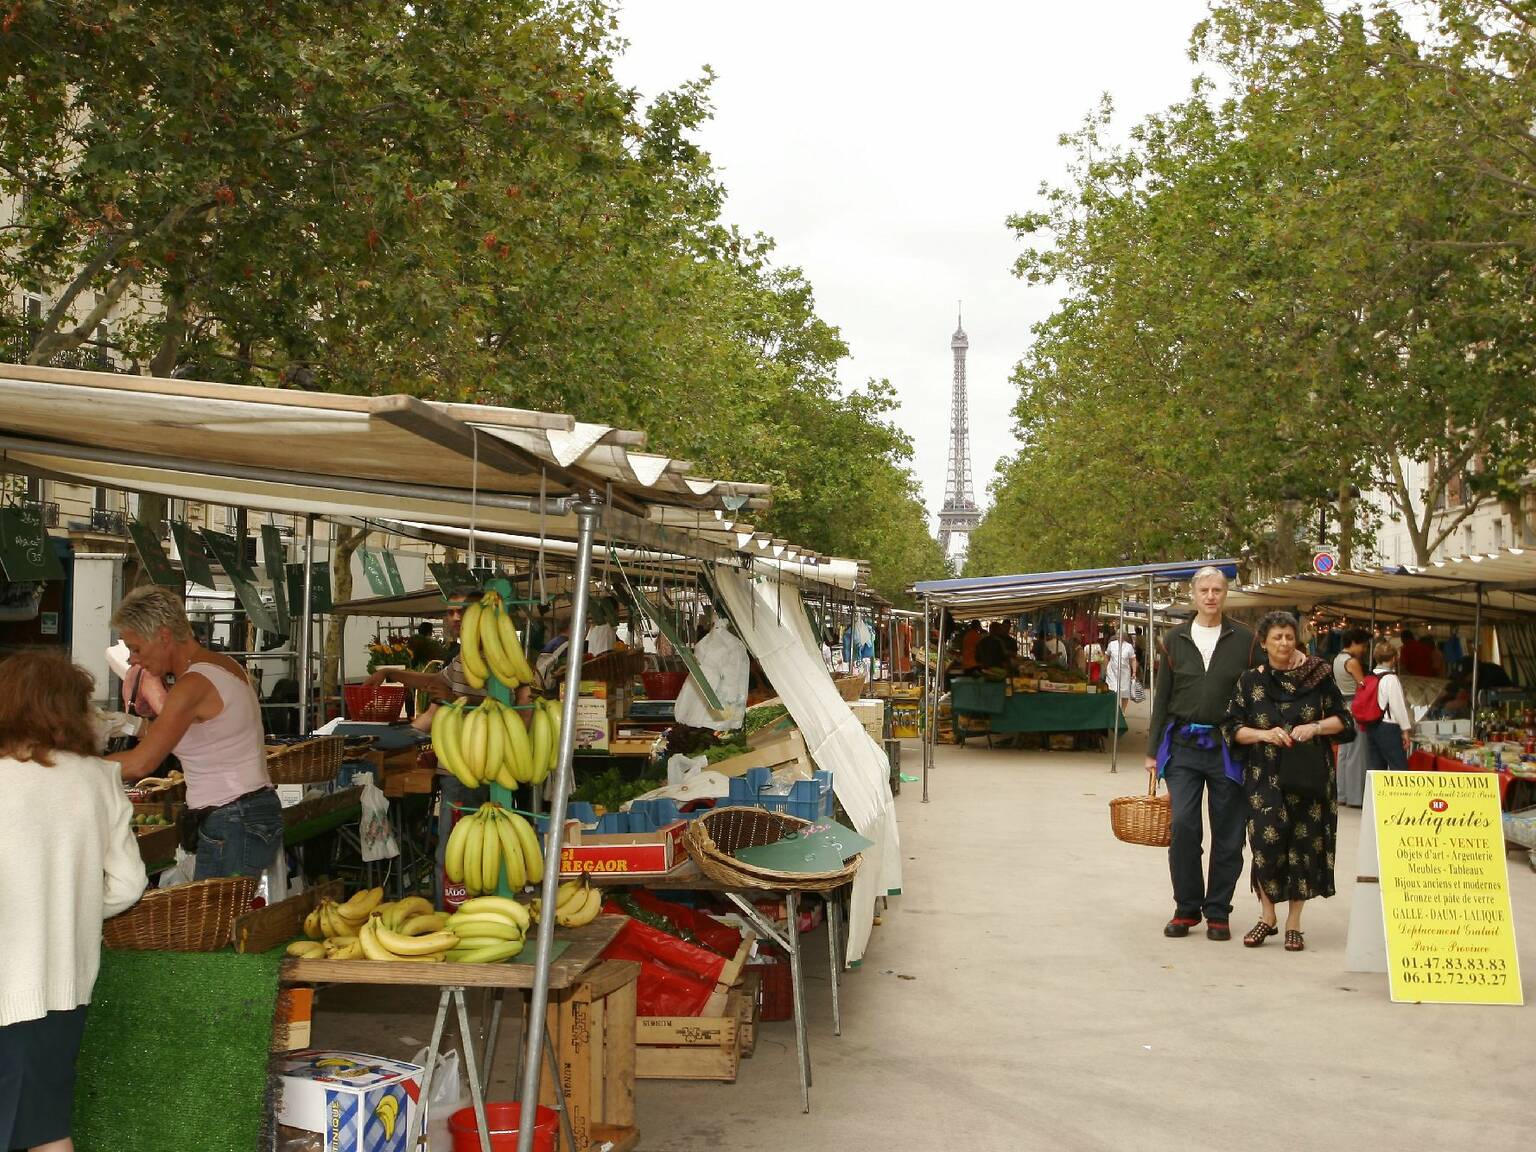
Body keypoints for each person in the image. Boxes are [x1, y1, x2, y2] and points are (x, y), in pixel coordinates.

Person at [2, 652, 148, 1152]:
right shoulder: (98, 778)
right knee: (47, 1128)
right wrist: (69, 910)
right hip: (62, 986)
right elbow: (129, 884)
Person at [109, 586, 281, 880]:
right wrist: (130, 725)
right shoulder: (224, 665)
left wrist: (72, 766)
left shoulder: (194, 683)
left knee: (218, 924)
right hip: (247, 811)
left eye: (136, 649)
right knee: (232, 922)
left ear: (164, 637)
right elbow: (203, 737)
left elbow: (141, 764)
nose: (132, 660)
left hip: (233, 817)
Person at [1222, 611, 1354, 952]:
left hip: (1309, 775)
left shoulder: (1318, 675)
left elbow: (1345, 721)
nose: (1283, 643)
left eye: (1288, 636)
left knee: (1303, 849)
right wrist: (1264, 734)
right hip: (1264, 775)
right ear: (1264, 644)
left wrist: (1316, 727)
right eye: (1276, 637)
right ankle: (1268, 916)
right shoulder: (1250, 681)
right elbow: (1232, 728)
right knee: (1265, 846)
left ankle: (1295, 922)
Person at [1146, 566, 1259, 942]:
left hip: (1229, 749)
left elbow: (1259, 694)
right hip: (1183, 748)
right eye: (1204, 590)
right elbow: (1162, 698)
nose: (1211, 596)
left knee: (1228, 833)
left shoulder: (1245, 639)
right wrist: (1151, 751)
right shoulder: (1174, 638)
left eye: (1218, 590)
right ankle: (1186, 908)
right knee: (1183, 826)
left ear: (1226, 594)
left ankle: (1218, 912)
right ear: (1192, 594)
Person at [1332, 627, 1372, 807]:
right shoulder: (1352, 662)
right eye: (1363, 645)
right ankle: (1355, 797)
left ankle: (1341, 794)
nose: (1364, 649)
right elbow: (1362, 685)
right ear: (1354, 643)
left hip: (1342, 707)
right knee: (1356, 752)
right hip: (1354, 706)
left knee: (1344, 753)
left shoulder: (1337, 659)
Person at [1364, 640, 1413, 772]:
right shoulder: (1391, 678)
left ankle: (1375, 793)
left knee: (1376, 768)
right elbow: (1398, 707)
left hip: (1371, 725)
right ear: (1393, 658)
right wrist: (1405, 730)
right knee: (1399, 767)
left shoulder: (1370, 675)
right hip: (1388, 726)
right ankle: (1400, 793)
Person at [1105, 631, 1139, 699]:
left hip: (1124, 673)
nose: (1119, 636)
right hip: (1112, 672)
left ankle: (1122, 709)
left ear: (1124, 636)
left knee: (1125, 693)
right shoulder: (1111, 644)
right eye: (1118, 635)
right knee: (1112, 690)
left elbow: (1133, 659)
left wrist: (1134, 672)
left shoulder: (1129, 646)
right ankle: (1114, 707)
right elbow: (1106, 656)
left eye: (1121, 635)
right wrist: (1106, 668)